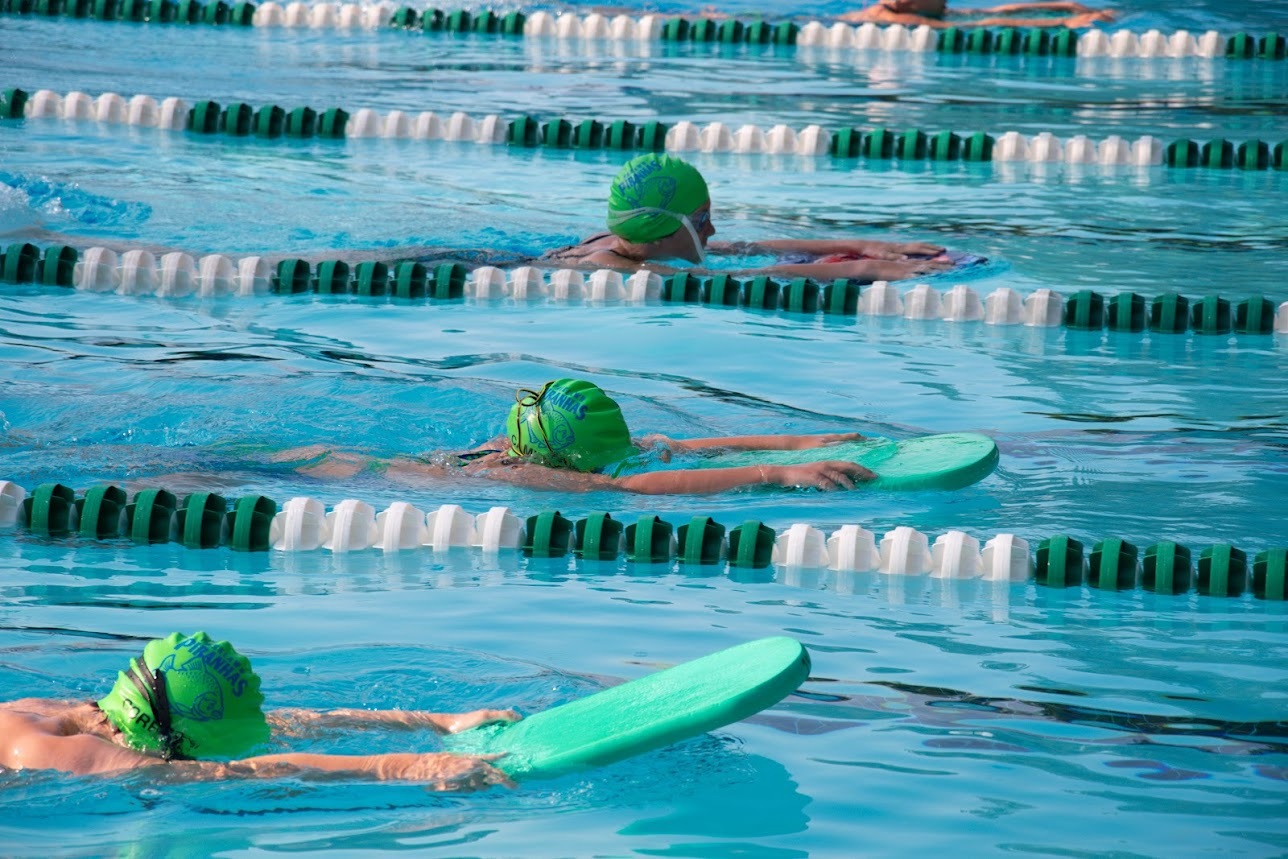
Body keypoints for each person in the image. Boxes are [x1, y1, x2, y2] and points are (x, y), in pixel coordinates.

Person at [0, 631, 520, 789]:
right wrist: (407, 766)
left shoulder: (96, 714)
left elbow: (282, 725)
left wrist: (435, 723)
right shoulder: (68, 753)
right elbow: (234, 771)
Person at [275, 378, 875, 494]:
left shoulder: (570, 450)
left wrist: (795, 444)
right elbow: (651, 486)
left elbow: (678, 452)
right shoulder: (541, 474)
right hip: (371, 477)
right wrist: (771, 476)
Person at [542, 153, 955, 282]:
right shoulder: (621, 269)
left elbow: (748, 249)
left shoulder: (626, 243)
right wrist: (868, 269)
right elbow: (741, 277)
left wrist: (862, 245)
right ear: (670, 227)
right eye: (703, 220)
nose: (713, 230)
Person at [840, 0, 1115, 29]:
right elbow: (986, 23)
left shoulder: (910, 8)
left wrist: (1061, 5)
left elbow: (991, 11)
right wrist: (1064, 23)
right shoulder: (896, 18)